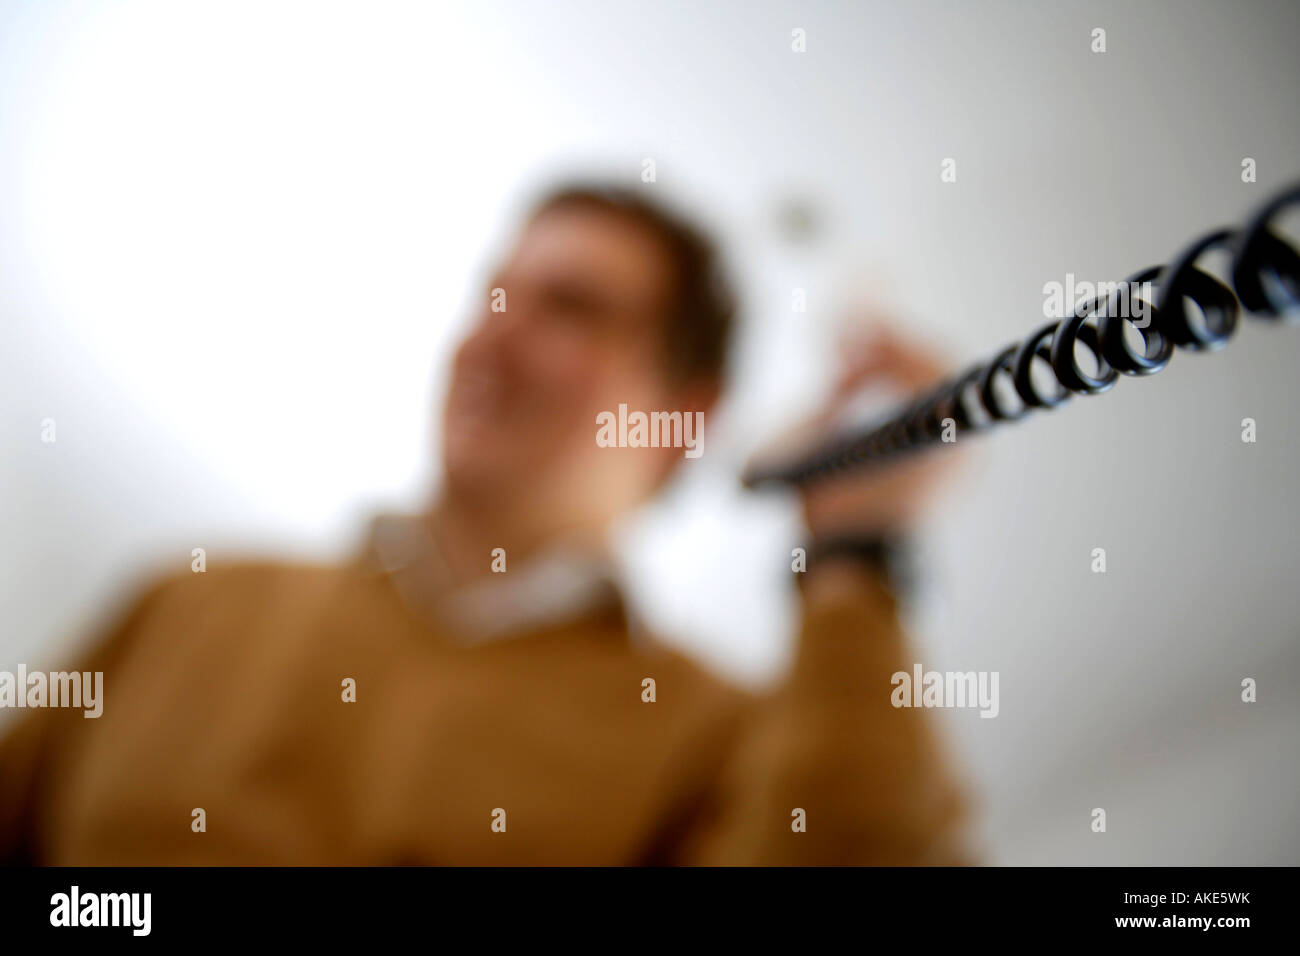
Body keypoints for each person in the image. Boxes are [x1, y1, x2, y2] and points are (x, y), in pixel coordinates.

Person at [0, 182, 971, 865]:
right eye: (491, 293)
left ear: (684, 413)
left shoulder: (723, 738)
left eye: (571, 308)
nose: (487, 335)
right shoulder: (189, 598)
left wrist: (852, 554)